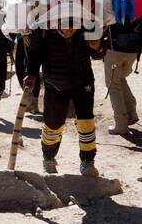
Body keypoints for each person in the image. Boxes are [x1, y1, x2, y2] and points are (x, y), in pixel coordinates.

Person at [23, 24, 103, 176]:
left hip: (83, 81)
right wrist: (31, 73)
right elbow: (34, 54)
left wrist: (98, 47)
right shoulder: (43, 30)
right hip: (54, 84)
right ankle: (48, 158)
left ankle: (87, 162)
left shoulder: (87, 25)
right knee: (53, 125)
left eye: (73, 25)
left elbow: (99, 54)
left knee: (86, 122)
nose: (70, 29)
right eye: (65, 25)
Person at [101, 0, 142, 134]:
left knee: (112, 85)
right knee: (120, 79)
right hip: (134, 51)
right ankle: (131, 112)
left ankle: (121, 124)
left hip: (116, 50)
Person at [13, 32, 41, 115]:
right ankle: (31, 100)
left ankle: (32, 101)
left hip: (31, 37)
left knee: (30, 69)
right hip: (23, 38)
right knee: (25, 69)